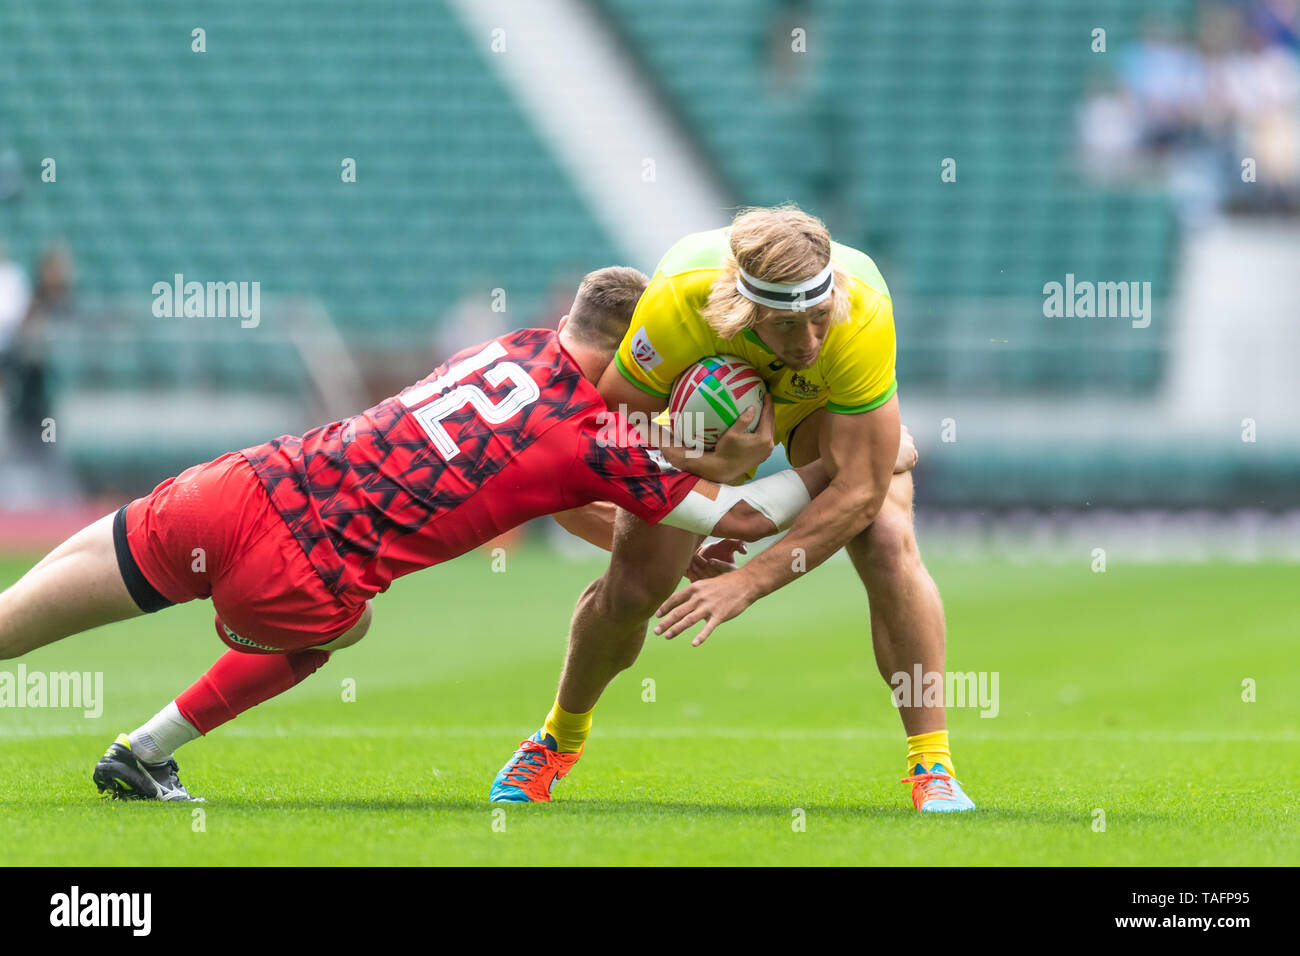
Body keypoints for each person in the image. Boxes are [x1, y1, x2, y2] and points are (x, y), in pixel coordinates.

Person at [0, 267, 826, 801]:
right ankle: (144, 754)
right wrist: (851, 466)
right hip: (301, 572)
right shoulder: (591, 435)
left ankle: (138, 753)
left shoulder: (505, 346)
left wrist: (621, 525)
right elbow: (743, 517)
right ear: (627, 348)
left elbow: (543, 491)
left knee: (13, 625)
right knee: (345, 625)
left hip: (240, 486)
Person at [490, 206, 975, 812]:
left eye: (818, 319)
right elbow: (596, 453)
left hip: (820, 407)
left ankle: (933, 765)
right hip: (701, 419)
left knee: (883, 533)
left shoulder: (863, 312)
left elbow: (858, 491)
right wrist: (707, 468)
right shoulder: (676, 304)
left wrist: (748, 580)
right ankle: (557, 739)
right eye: (785, 326)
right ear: (743, 311)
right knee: (636, 587)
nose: (807, 342)